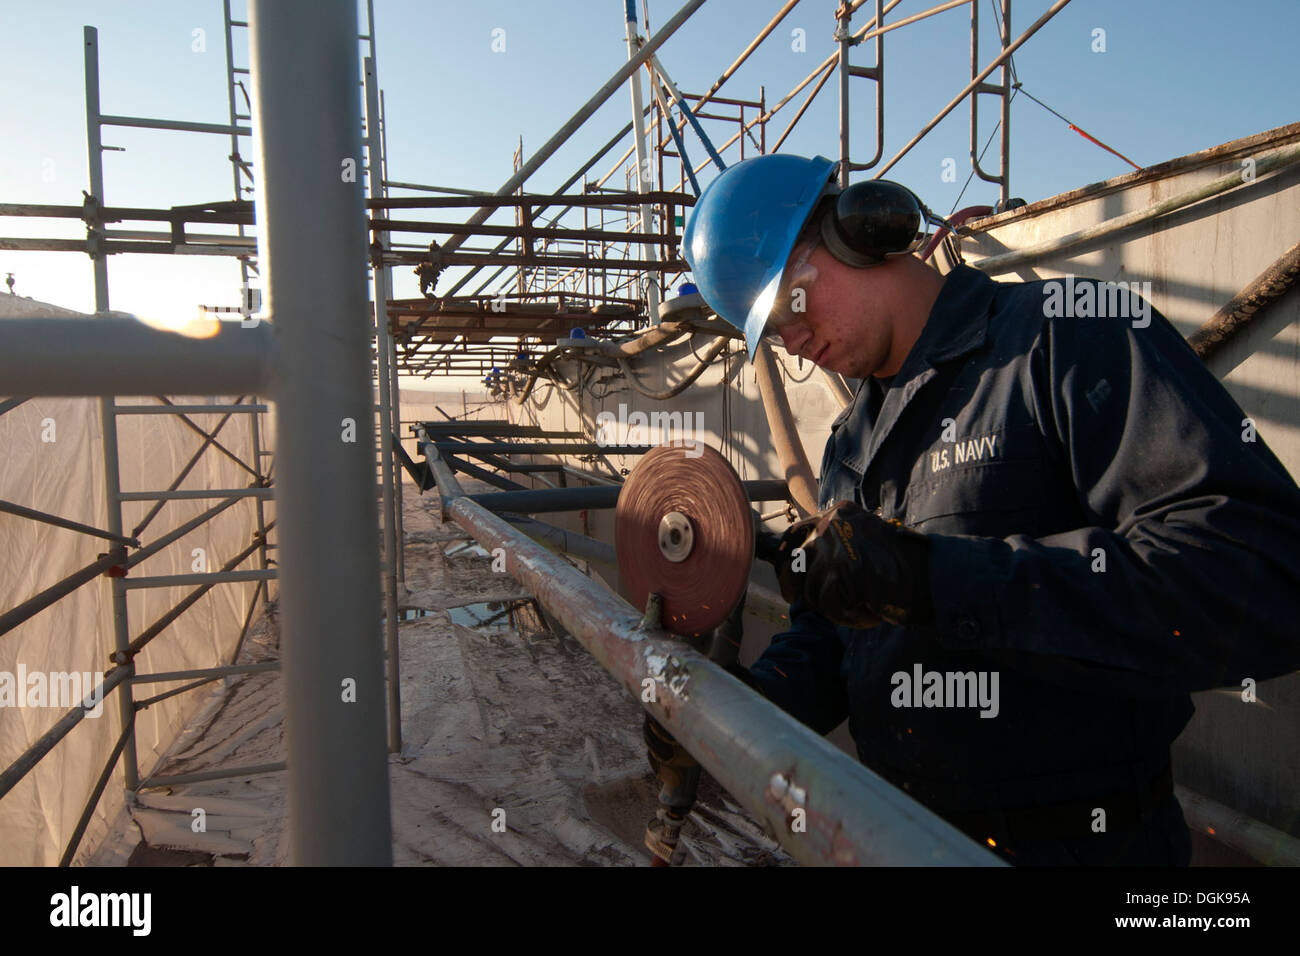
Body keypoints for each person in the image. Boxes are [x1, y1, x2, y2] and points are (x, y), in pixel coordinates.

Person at [677, 153, 1300, 866]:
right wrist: (743, 708)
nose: (794, 342)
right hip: (901, 839)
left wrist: (937, 580)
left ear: (862, 229)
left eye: (790, 304)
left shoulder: (1067, 338)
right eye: (773, 336)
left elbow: (1261, 574)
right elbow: (835, 636)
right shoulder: (852, 444)